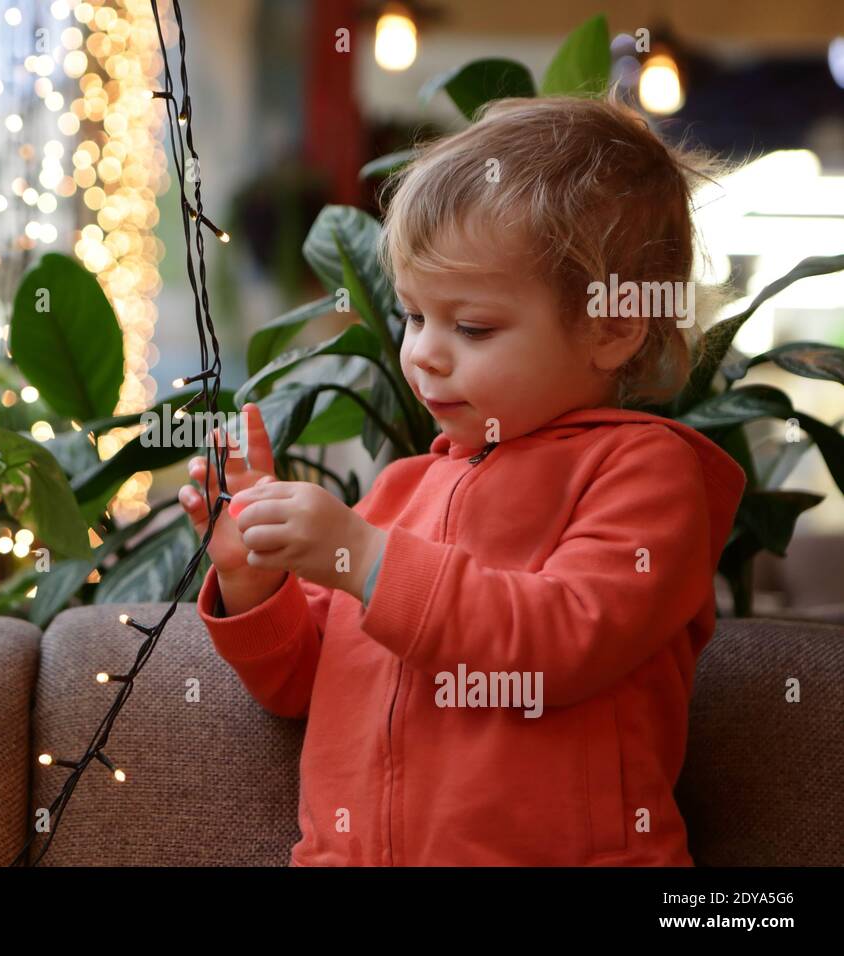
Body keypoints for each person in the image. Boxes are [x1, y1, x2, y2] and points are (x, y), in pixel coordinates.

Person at [176, 94, 746, 866]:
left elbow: (560, 641)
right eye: (413, 316)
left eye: (471, 326)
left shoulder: (645, 473)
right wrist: (252, 577)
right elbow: (300, 684)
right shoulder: (397, 493)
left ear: (613, 327)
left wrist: (364, 559)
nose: (424, 354)